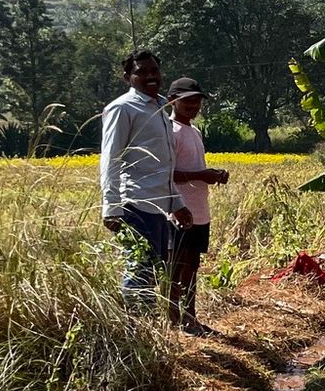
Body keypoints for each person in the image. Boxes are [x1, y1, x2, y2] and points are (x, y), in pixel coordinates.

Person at [99, 50, 189, 312]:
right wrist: (111, 207)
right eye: (141, 72)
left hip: (159, 205)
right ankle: (136, 330)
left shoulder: (161, 107)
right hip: (135, 203)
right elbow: (111, 159)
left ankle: (147, 328)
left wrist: (177, 202)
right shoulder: (122, 108)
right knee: (139, 268)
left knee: (152, 269)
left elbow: (164, 164)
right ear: (128, 77)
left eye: (154, 71)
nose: (150, 76)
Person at [167, 77, 231, 334]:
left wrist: (215, 175)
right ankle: (174, 319)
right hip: (178, 210)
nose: (193, 105)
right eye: (187, 101)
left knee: (193, 265)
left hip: (199, 210)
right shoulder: (170, 132)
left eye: (197, 100)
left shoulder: (194, 131)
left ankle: (190, 316)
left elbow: (194, 168)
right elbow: (167, 174)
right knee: (176, 266)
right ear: (172, 100)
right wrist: (202, 175)